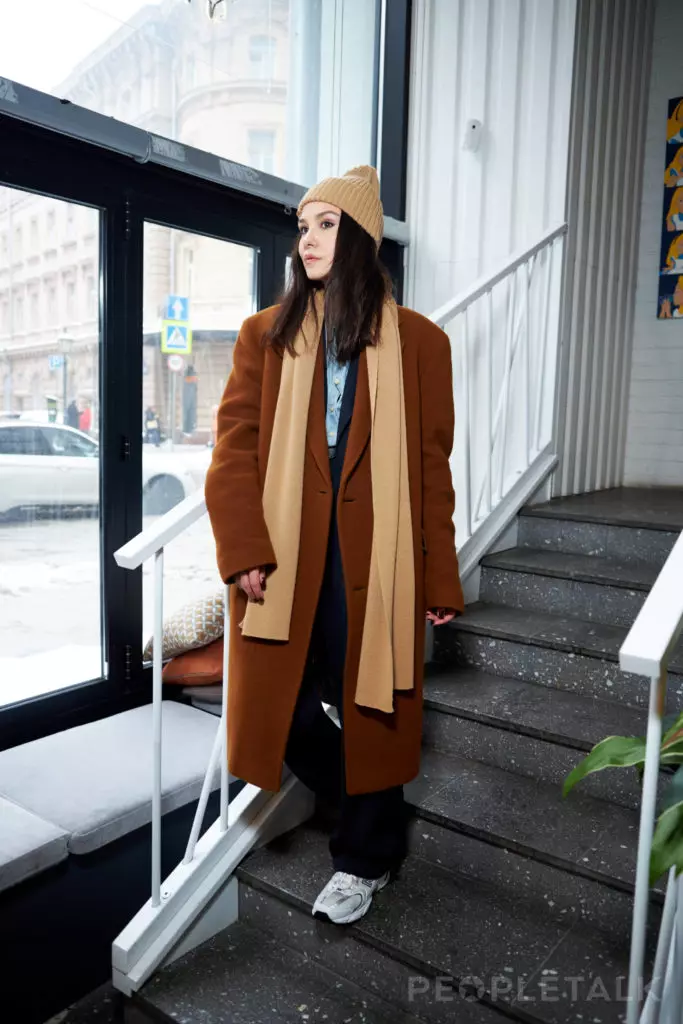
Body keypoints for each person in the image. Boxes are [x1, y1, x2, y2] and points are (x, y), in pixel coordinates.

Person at [205, 165, 464, 926]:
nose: (306, 240)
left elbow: (429, 469)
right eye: (301, 225)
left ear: (358, 238)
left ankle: (366, 855)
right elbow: (235, 452)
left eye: (323, 224)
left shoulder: (419, 343)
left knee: (373, 707)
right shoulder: (267, 333)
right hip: (285, 558)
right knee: (280, 709)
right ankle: (363, 807)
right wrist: (245, 547)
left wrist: (438, 576)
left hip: (372, 563)